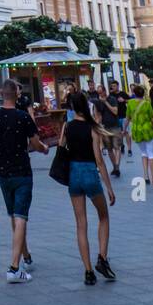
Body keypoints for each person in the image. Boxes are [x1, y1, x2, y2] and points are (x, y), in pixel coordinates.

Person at [0, 79, 47, 283]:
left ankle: (26, 257)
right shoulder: (24, 117)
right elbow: (35, 144)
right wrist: (44, 148)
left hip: (3, 173)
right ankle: (14, 267)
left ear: (1, 94)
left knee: (15, 216)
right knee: (21, 217)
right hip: (22, 171)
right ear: (17, 95)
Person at [60, 92, 116, 285]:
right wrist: (109, 188)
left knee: (80, 224)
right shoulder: (92, 128)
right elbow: (99, 161)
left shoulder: (66, 127)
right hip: (89, 173)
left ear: (71, 107)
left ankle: (88, 271)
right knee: (103, 216)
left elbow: (61, 150)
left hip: (73, 175)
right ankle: (102, 257)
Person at [126, 85, 153, 185]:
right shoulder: (147, 104)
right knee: (151, 154)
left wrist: (123, 130)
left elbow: (127, 118)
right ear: (143, 93)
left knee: (143, 153)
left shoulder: (130, 103)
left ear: (134, 93)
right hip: (147, 130)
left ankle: (145, 175)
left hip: (137, 131)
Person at [93, 84, 122, 177]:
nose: (100, 95)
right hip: (105, 128)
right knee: (109, 149)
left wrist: (105, 102)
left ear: (105, 91)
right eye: (98, 93)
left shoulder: (112, 99)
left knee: (117, 147)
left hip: (115, 126)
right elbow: (98, 115)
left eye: (101, 92)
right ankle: (115, 167)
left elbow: (115, 111)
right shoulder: (98, 102)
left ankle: (117, 166)